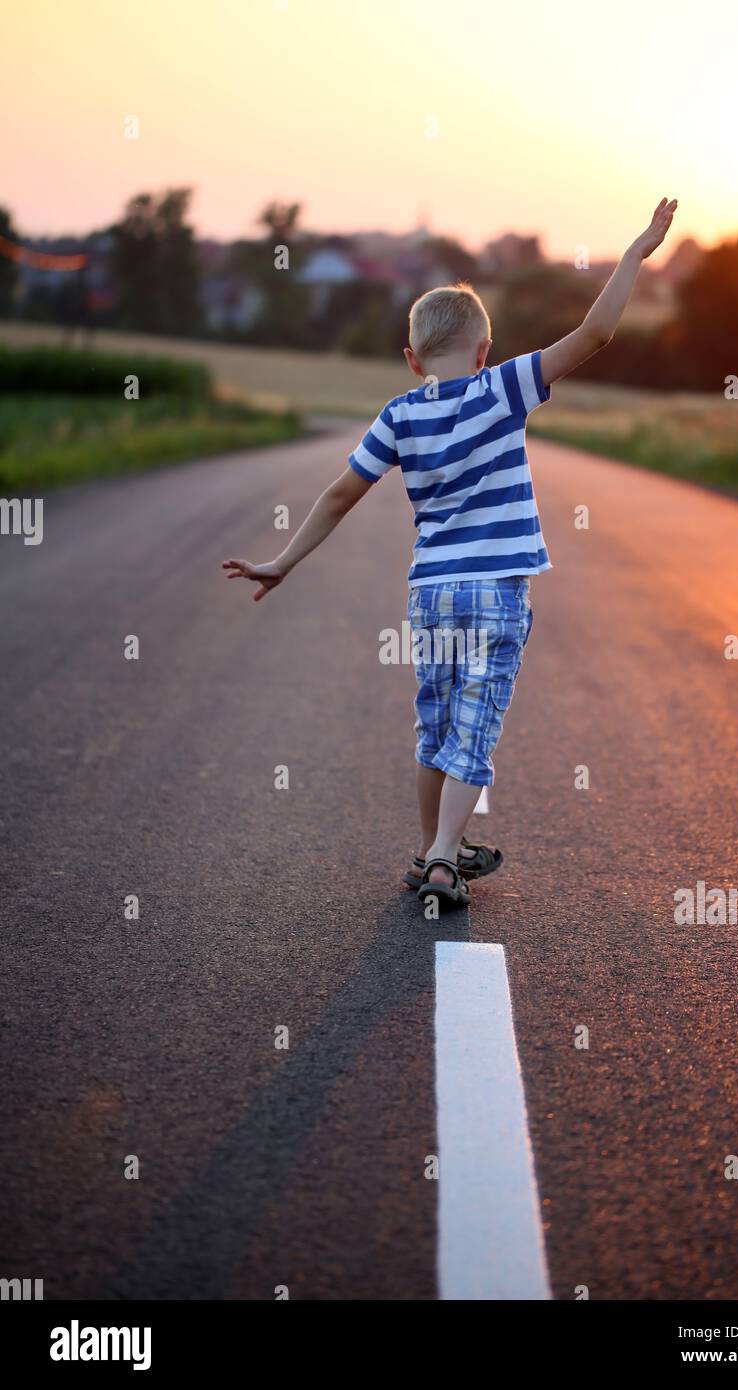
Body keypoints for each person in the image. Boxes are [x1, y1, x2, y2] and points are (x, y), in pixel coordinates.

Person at [224, 198, 678, 910]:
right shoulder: (504, 388)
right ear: (484, 350)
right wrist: (632, 256)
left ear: (411, 360)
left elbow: (342, 495)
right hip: (495, 590)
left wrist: (284, 560)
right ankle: (442, 857)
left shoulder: (399, 415)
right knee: (478, 723)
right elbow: (596, 331)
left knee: (435, 725)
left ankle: (436, 845)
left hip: (431, 592)